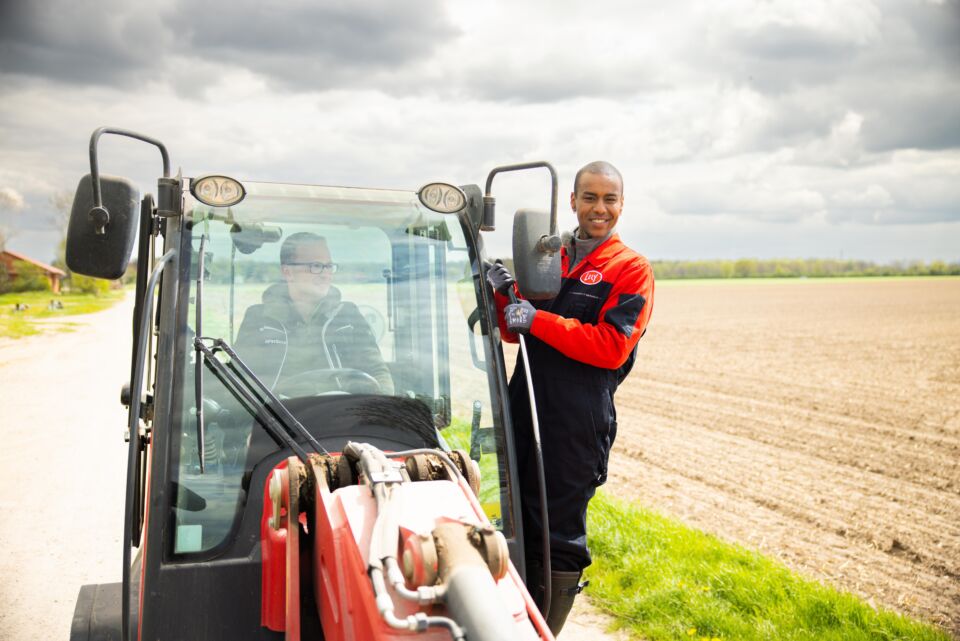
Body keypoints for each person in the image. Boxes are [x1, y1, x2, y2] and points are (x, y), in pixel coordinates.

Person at [487, 161, 654, 634]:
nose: (599, 209)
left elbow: (610, 345)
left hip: (578, 419)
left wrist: (535, 319)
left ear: (621, 204)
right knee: (516, 518)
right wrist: (504, 294)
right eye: (590, 198)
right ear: (573, 202)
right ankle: (508, 622)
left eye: (609, 199)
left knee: (557, 533)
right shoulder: (548, 257)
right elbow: (512, 333)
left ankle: (543, 631)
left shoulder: (630, 269)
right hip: (524, 403)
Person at [234, 231, 394, 396]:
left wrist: (383, 410)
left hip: (344, 417)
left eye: (329, 266)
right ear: (288, 272)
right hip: (277, 419)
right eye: (316, 266)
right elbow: (240, 380)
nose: (326, 274)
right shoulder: (260, 320)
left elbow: (377, 372)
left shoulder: (348, 316)